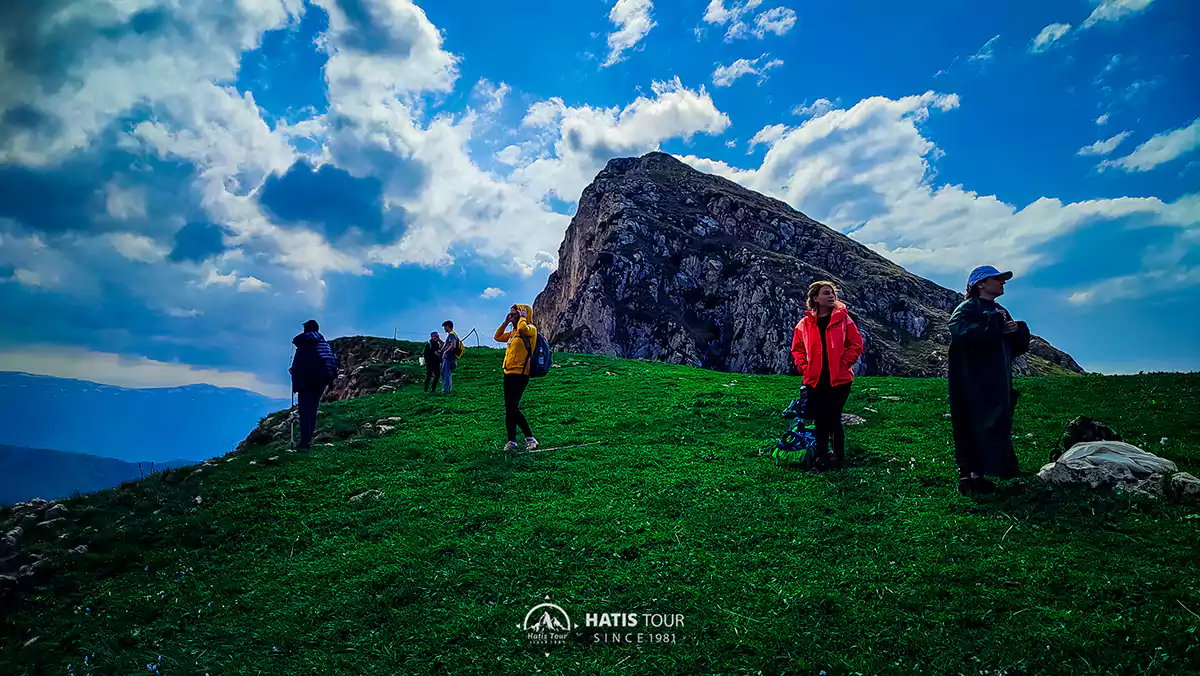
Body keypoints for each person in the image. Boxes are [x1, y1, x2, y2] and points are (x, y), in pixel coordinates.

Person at [948, 265, 1032, 495]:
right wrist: (993, 325)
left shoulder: (1001, 310)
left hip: (996, 380)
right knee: (972, 423)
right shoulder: (967, 308)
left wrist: (1017, 330)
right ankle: (969, 474)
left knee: (994, 423)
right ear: (981, 284)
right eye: (997, 279)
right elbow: (959, 332)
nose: (1002, 283)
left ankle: (987, 470)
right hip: (972, 380)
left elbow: (1015, 346)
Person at [790, 282, 865, 470]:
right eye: (826, 293)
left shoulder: (844, 320)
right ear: (815, 298)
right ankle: (823, 457)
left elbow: (856, 344)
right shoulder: (804, 324)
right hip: (815, 379)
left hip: (839, 380)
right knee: (820, 419)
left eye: (832, 293)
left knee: (833, 418)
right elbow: (797, 348)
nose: (831, 296)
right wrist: (803, 367)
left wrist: (844, 363)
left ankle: (838, 457)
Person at [494, 304, 539, 452]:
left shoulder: (530, 329)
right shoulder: (513, 333)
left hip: (521, 373)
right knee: (509, 408)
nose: (511, 317)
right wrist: (505, 322)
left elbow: (522, 329)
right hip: (508, 372)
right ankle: (511, 441)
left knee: (512, 406)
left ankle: (530, 438)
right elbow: (497, 337)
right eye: (510, 314)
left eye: (514, 314)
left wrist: (523, 318)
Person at [289, 319, 339, 450]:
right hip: (321, 380)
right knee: (312, 410)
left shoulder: (305, 343)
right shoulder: (323, 343)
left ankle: (304, 442)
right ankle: (308, 439)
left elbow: (300, 363)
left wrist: (294, 372)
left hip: (307, 381)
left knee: (304, 411)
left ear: (306, 330)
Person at [440, 320, 460, 394]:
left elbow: (452, 346)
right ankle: (447, 389)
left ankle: (446, 390)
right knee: (447, 373)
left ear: (448, 326)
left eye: (445, 327)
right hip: (450, 357)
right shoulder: (453, 335)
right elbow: (447, 345)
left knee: (446, 373)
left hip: (448, 357)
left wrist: (445, 352)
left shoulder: (451, 335)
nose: (444, 328)